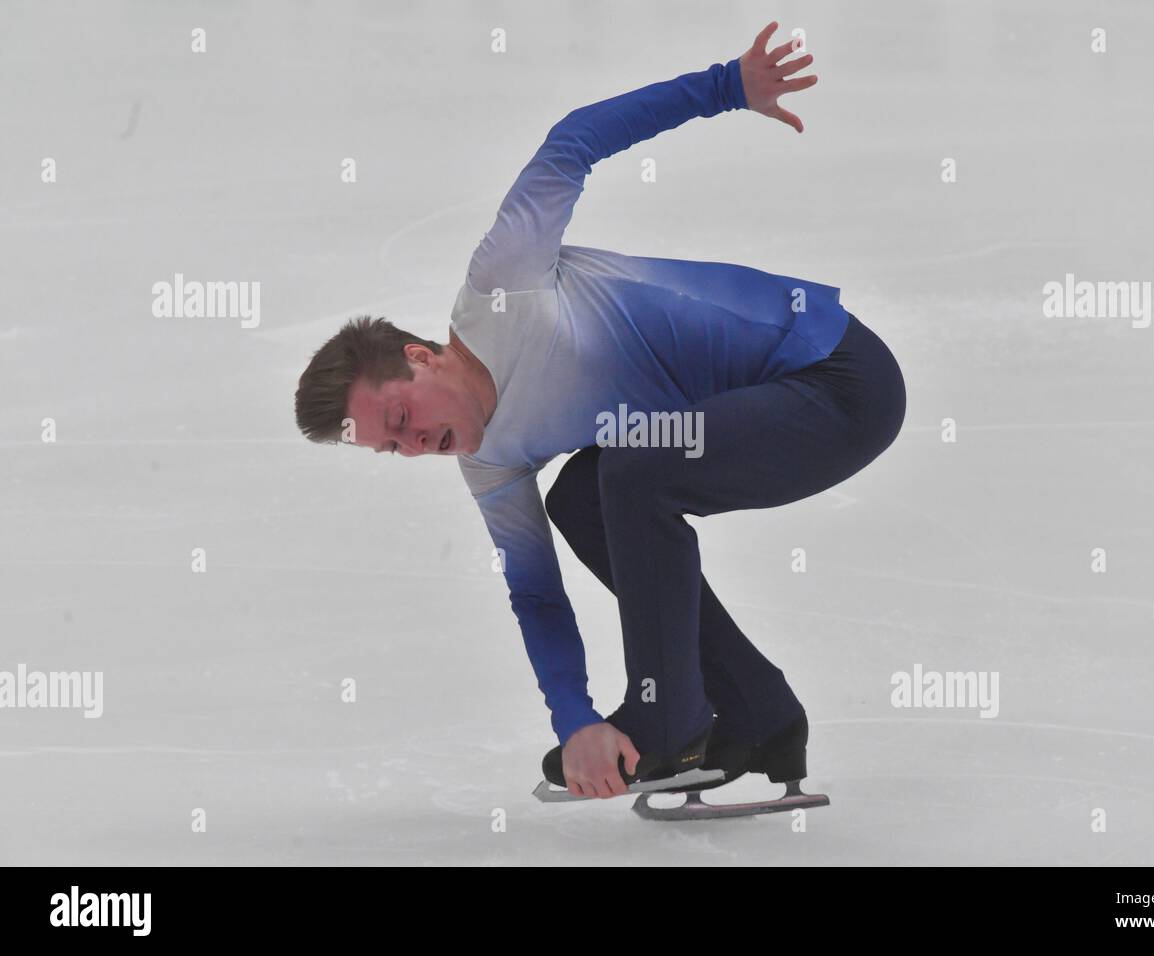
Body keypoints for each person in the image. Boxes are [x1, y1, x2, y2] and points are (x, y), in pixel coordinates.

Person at [294, 23, 906, 802]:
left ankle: (672, 718)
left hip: (837, 381)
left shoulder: (501, 285)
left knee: (631, 471)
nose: (415, 445)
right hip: (758, 414)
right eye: (392, 449)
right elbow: (537, 594)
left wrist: (726, 86)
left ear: (418, 358)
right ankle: (757, 712)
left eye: (401, 417)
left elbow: (571, 142)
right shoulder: (490, 464)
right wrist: (575, 720)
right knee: (583, 496)